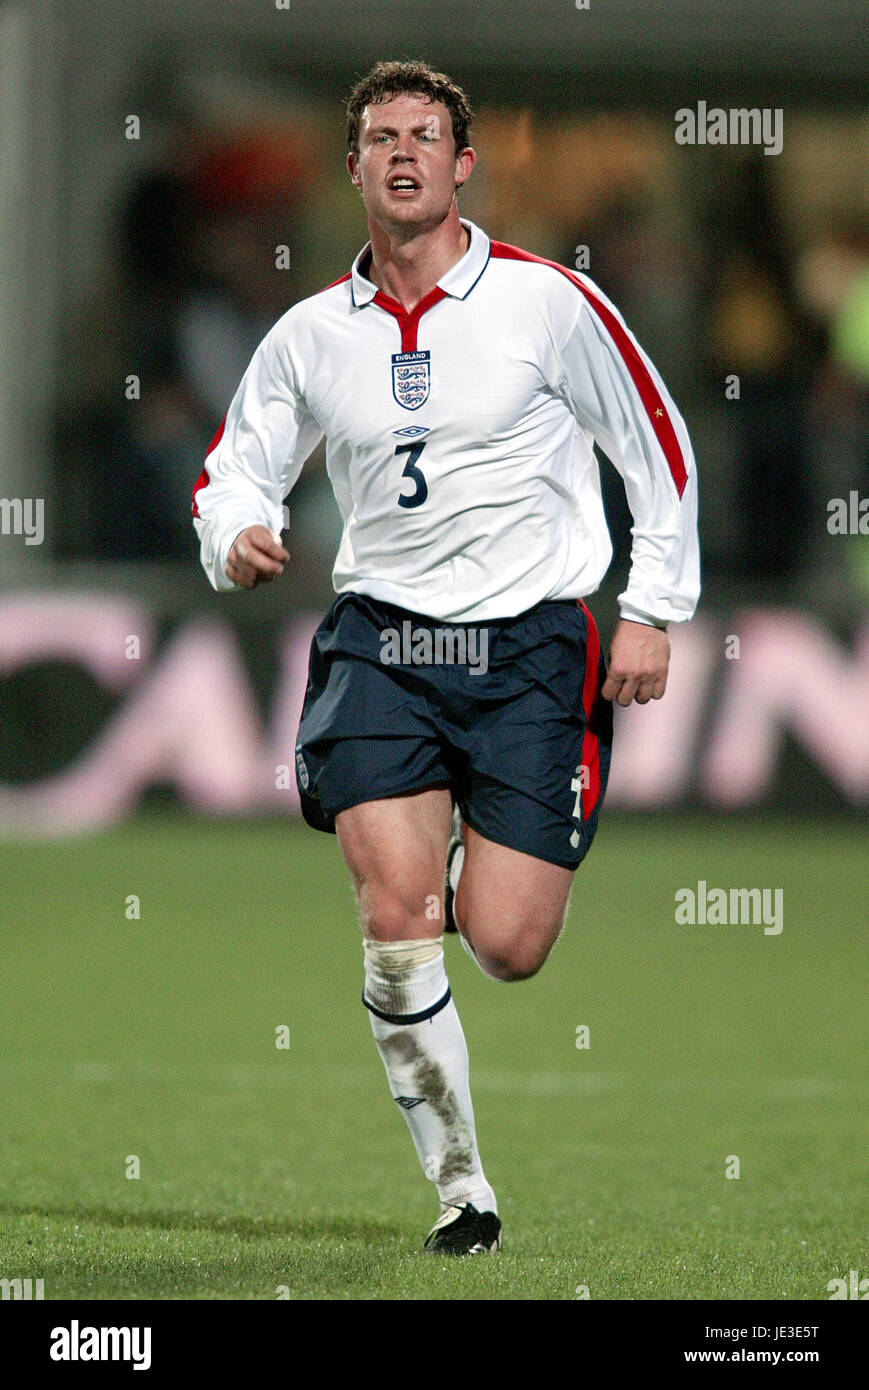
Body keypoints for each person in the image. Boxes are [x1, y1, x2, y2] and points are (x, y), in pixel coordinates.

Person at [192, 59, 700, 1256]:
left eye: (425, 134)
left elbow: (656, 441)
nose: (403, 153)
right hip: (382, 642)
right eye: (380, 137)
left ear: (462, 163)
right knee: (394, 910)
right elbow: (236, 467)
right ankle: (462, 1191)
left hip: (532, 641)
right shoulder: (311, 333)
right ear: (356, 166)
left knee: (508, 943)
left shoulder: (545, 302)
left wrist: (653, 605)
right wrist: (235, 535)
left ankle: (477, 823)